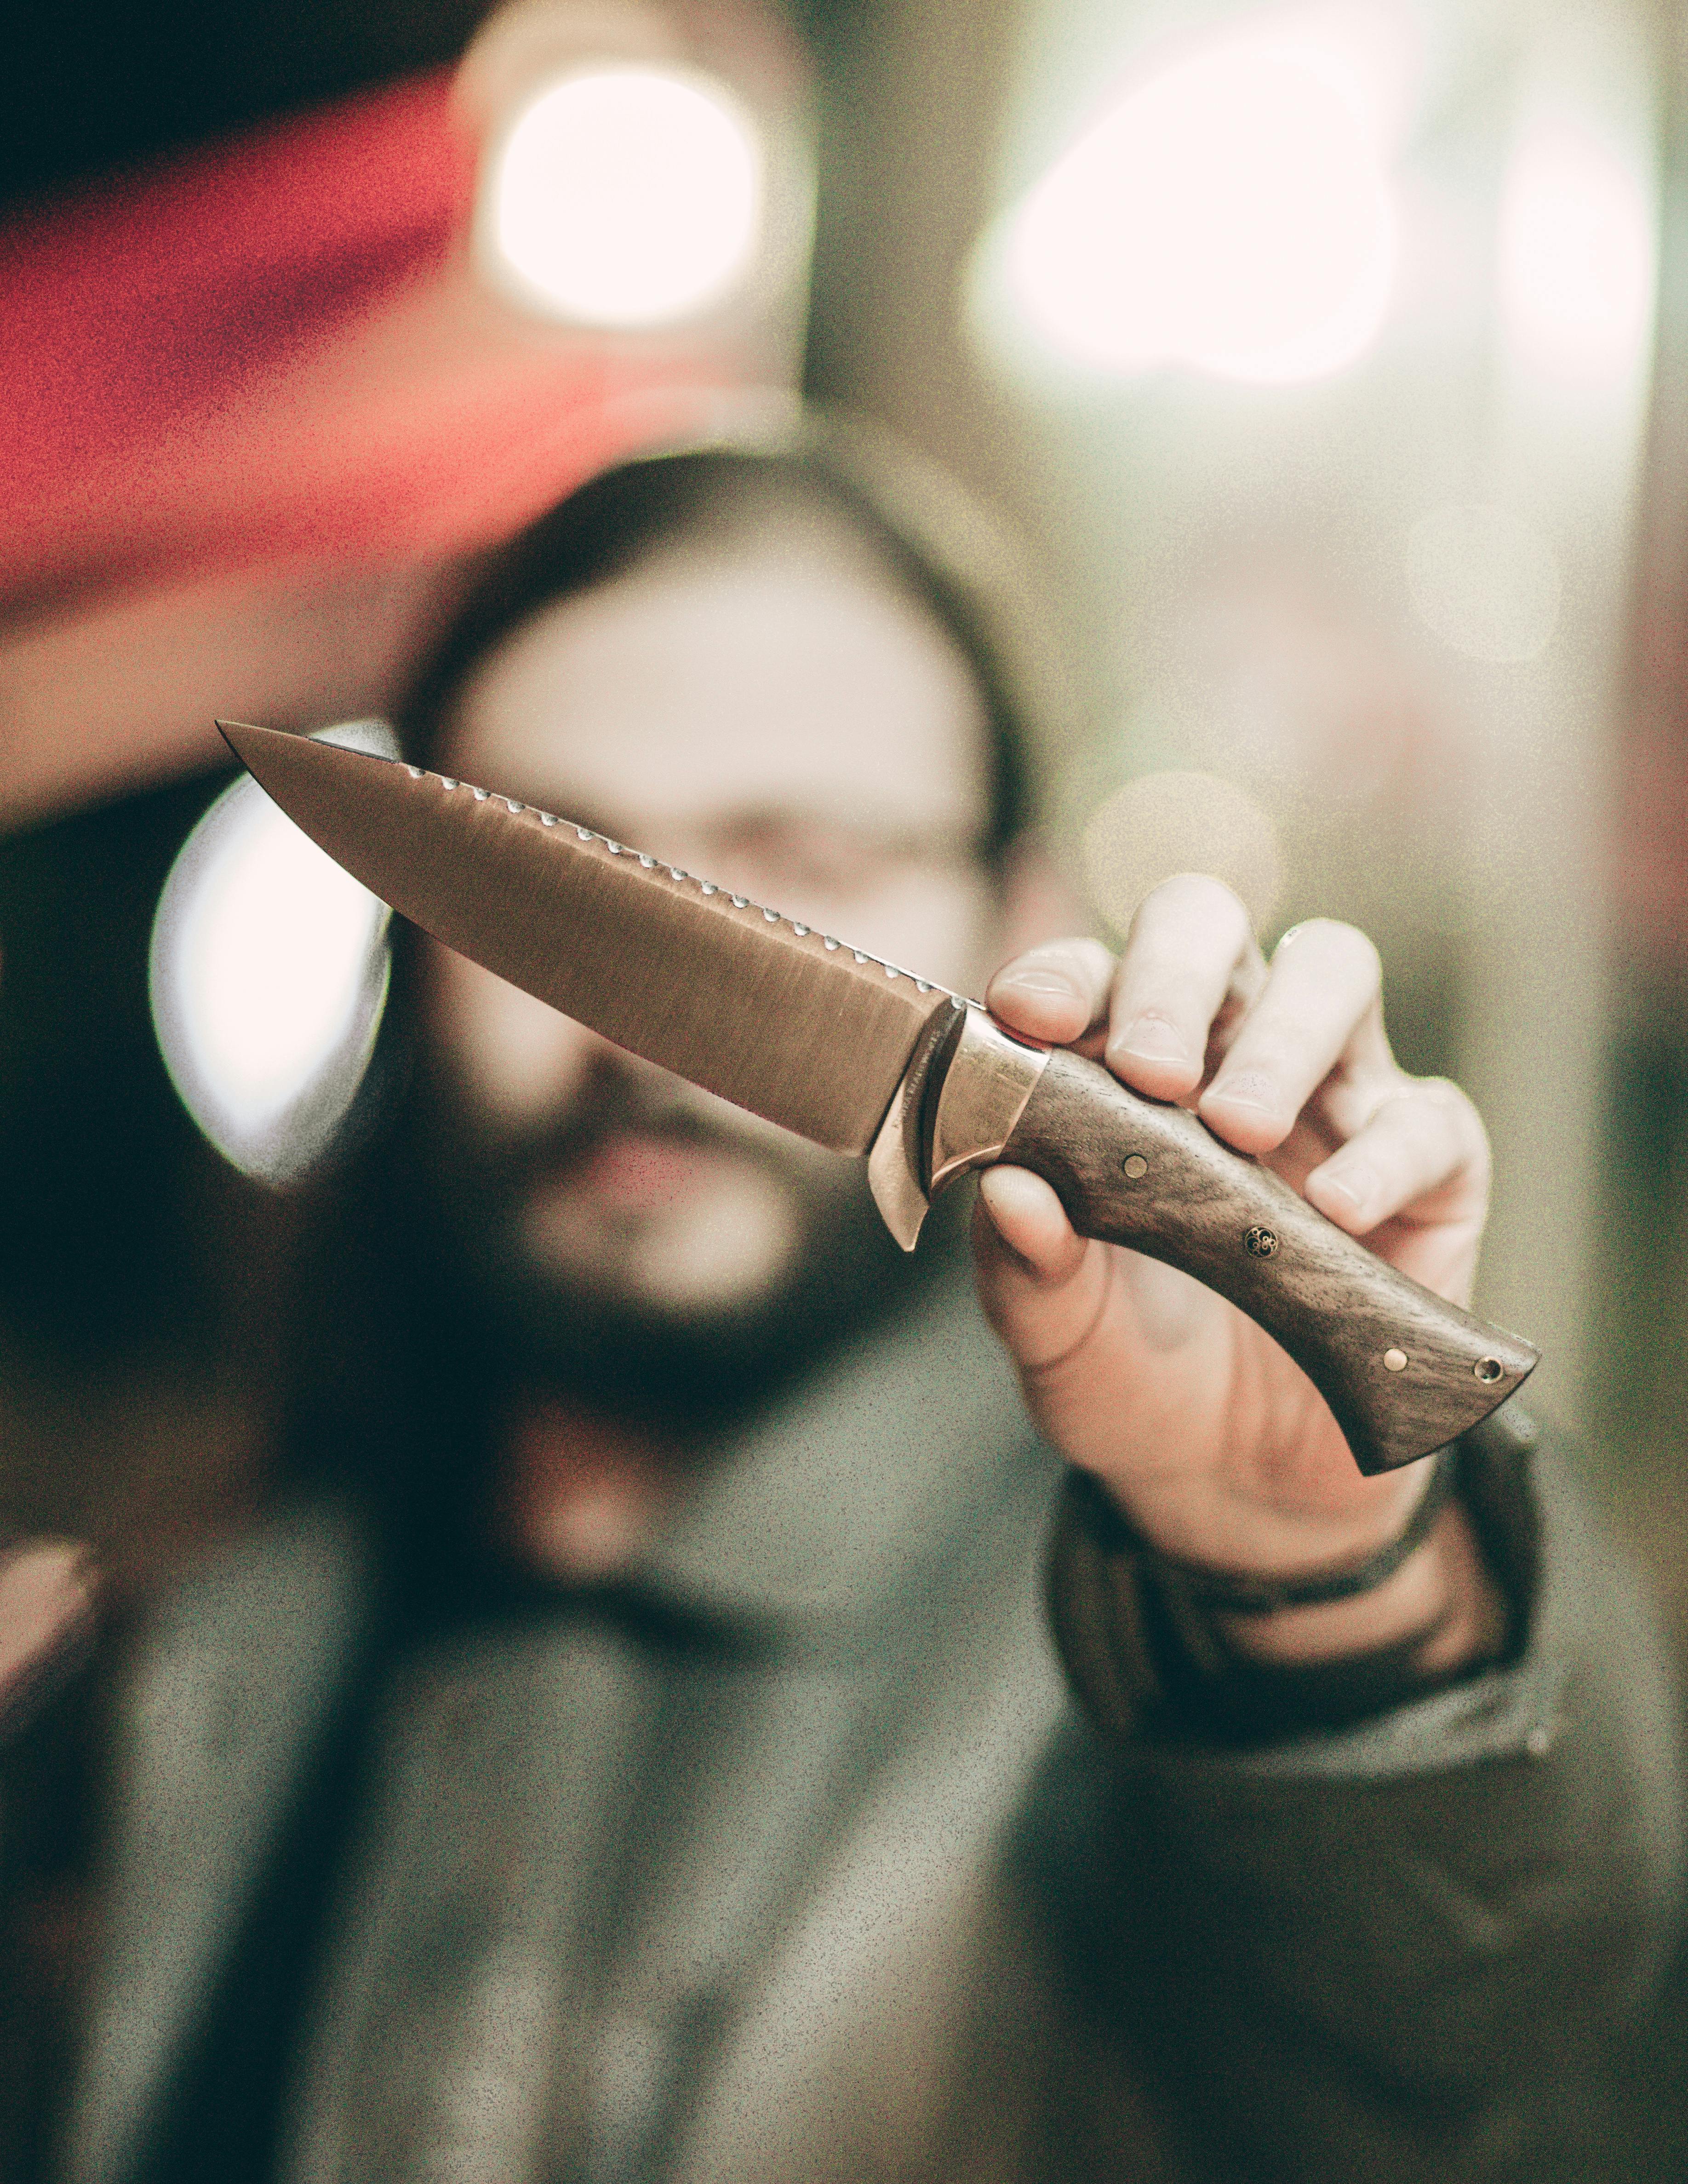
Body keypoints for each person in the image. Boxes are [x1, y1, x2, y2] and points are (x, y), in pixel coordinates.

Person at [5, 422, 1679, 2184]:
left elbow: (1504, 2054)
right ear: (421, 940)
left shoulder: (1160, 1658)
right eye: (556, 863)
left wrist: (1334, 1587)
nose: (643, 1012)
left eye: (805, 858)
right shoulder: (203, 1640)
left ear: (1015, 913)